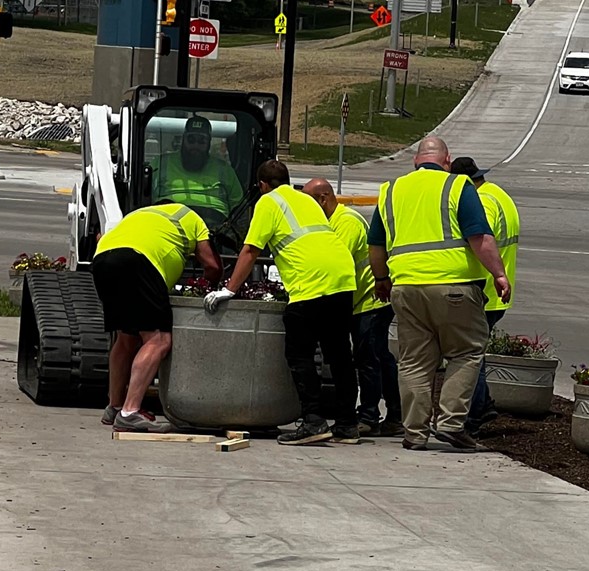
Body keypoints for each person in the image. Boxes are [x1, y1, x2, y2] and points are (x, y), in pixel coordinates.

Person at [367, 136, 511, 452]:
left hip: (405, 289)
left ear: (415, 162)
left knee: (414, 362)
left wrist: (381, 280)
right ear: (447, 161)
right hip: (454, 288)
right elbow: (480, 238)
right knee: (466, 352)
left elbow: (375, 245)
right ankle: (450, 424)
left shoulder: (391, 191)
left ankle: (415, 433)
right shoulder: (458, 187)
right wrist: (498, 274)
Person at [204, 160, 360, 446]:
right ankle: (348, 424)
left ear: (263, 185)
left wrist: (229, 289)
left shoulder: (268, 202)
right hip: (342, 278)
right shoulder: (307, 200)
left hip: (310, 283)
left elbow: (251, 250)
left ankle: (313, 421)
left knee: (299, 354)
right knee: (339, 355)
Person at [92, 202, 222, 433]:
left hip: (102, 260)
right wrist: (210, 286)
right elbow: (211, 264)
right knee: (158, 340)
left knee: (126, 337)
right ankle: (130, 412)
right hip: (139, 262)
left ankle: (114, 406)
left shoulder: (141, 213)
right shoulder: (193, 219)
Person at [302, 178, 404, 438]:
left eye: (309, 203)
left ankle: (371, 415)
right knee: (378, 357)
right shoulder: (332, 222)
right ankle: (394, 414)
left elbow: (337, 263)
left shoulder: (345, 222)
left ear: (323, 198)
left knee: (369, 358)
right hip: (362, 302)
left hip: (370, 300)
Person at [450, 157, 521, 435]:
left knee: (470, 355)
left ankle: (473, 416)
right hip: (498, 291)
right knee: (476, 351)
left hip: (485, 291)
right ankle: (485, 403)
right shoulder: (498, 194)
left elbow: (478, 239)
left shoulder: (482, 202)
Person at [152, 115, 244, 231]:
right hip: (169, 225)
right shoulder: (161, 163)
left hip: (214, 228)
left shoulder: (224, 169)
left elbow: (239, 208)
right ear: (183, 140)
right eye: (191, 139)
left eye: (201, 141)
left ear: (209, 143)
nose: (195, 145)